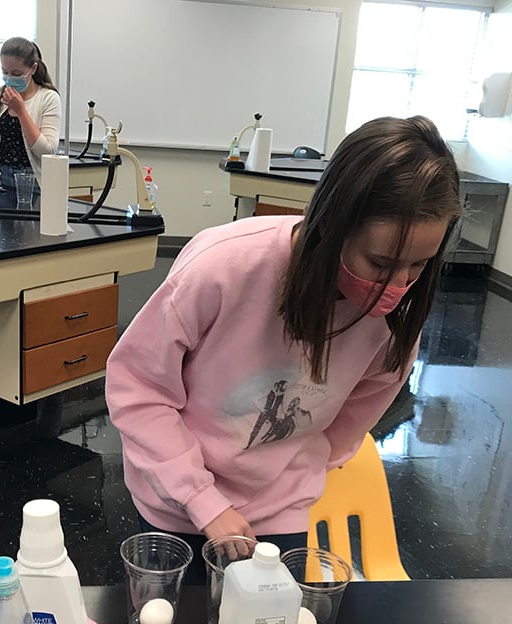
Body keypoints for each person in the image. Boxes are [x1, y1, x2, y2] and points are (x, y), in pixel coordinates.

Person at [105, 116, 462, 571]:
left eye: (418, 266)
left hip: (278, 510)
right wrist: (200, 495)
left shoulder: (396, 321)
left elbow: (352, 420)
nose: (397, 285)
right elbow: (139, 391)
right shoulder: (224, 268)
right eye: (380, 262)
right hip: (175, 499)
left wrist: (290, 478)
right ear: (331, 227)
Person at [0, 37, 61, 190]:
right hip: (0, 180)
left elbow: (47, 151)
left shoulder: (48, 98)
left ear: (33, 69)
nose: (9, 78)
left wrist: (21, 111)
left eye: (16, 73)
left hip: (34, 183)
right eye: (5, 72)